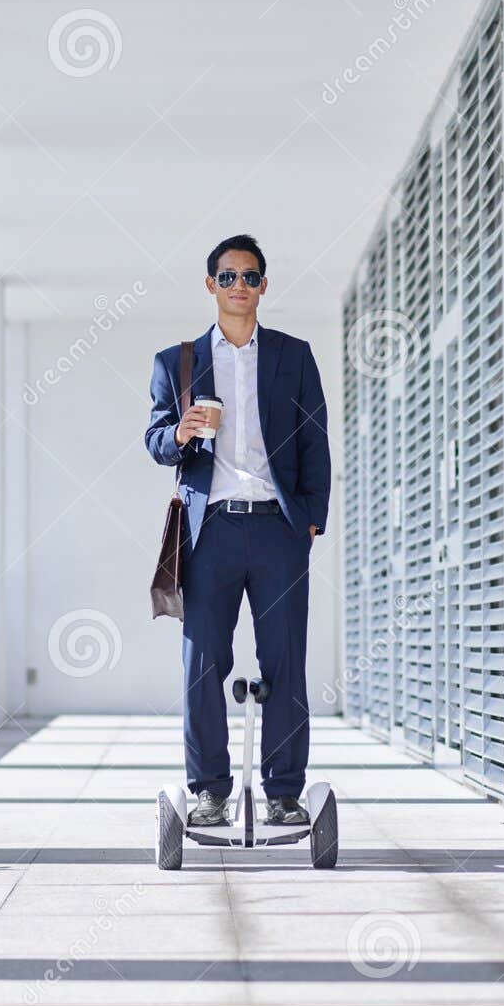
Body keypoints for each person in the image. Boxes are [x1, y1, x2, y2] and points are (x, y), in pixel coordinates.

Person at [143, 234, 332, 827]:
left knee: (286, 661)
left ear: (263, 286)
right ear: (211, 286)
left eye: (250, 277)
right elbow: (154, 439)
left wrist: (311, 519)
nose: (240, 287)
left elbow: (314, 441)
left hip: (278, 528)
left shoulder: (293, 356)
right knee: (202, 663)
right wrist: (181, 434)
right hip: (211, 532)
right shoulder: (178, 362)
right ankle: (209, 791)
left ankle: (282, 792)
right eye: (228, 278)